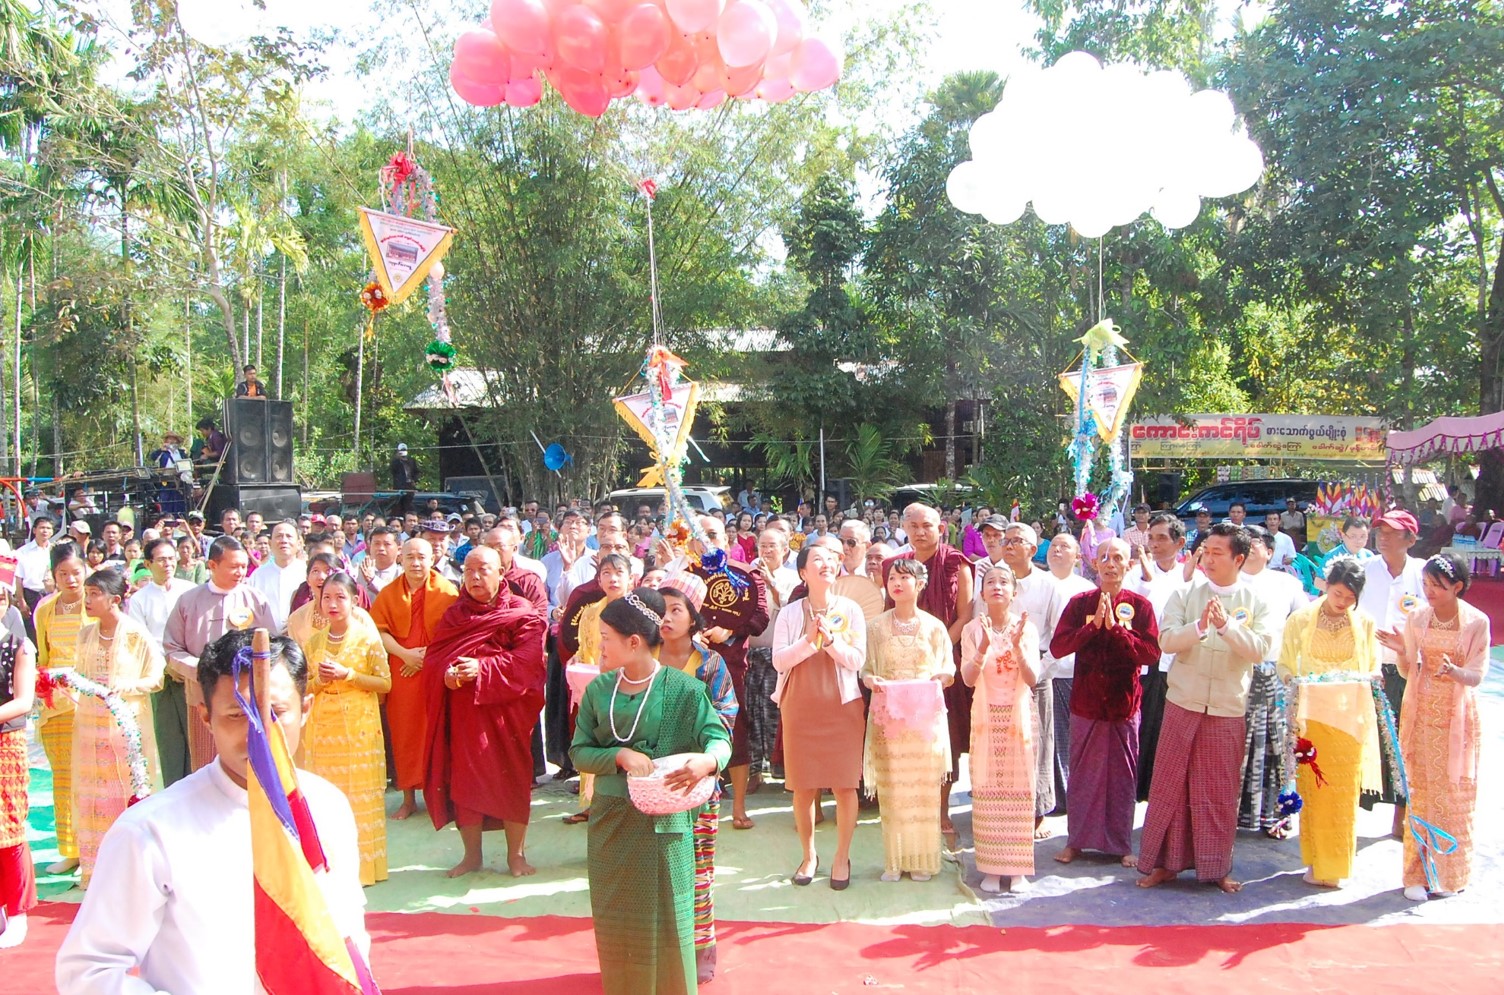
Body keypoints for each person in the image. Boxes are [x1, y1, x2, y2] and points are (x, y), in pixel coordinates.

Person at [55, 629, 368, 993]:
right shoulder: (152, 831)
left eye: (276, 713)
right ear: (206, 718)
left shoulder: (328, 806)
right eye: (238, 715)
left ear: (306, 710)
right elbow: (88, 971)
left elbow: (348, 932)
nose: (259, 734)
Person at [570, 588, 731, 995]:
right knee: (616, 916)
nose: (600, 646)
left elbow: (718, 739)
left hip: (666, 827)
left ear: (634, 642)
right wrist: (619, 756)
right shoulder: (599, 690)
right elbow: (578, 752)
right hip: (612, 821)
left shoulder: (684, 689)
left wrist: (706, 762)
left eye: (606, 638)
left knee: (669, 916)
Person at [1137, 523, 1271, 894]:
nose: (1208, 559)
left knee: (1217, 789)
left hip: (1227, 706)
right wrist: (1199, 626)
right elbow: (1165, 641)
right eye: (1205, 551)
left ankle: (1215, 867)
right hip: (1184, 700)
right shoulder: (1185, 594)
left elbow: (1260, 649)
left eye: (1217, 553)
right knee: (1170, 785)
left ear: (1239, 559)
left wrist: (1227, 626)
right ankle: (1163, 864)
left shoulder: (1256, 600)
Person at [423, 547, 547, 878]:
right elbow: (436, 660)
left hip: (508, 711)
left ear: (501, 572)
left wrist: (482, 668)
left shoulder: (522, 613)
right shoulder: (455, 615)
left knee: (512, 780)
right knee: (466, 782)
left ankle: (516, 856)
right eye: (469, 571)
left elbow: (528, 660)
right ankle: (471, 856)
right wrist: (447, 676)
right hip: (466, 713)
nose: (475, 578)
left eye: (483, 570)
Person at [1379, 553, 1488, 902]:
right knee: (1421, 793)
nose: (1429, 592)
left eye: (1437, 586)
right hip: (1421, 713)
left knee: (1452, 793)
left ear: (1457, 586)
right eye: (1425, 584)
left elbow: (1477, 674)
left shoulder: (1476, 622)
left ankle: (1448, 873)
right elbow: (1410, 670)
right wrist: (1402, 652)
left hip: (1456, 720)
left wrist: (1454, 672)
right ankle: (1416, 873)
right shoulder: (1417, 618)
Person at [1049, 539, 1160, 866]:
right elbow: (1058, 647)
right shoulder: (1081, 603)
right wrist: (1094, 626)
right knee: (1082, 775)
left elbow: (1151, 654)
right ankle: (1077, 842)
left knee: (1122, 776)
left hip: (1123, 704)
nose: (1110, 564)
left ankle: (1121, 844)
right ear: (1094, 564)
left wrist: (1116, 630)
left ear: (1129, 565)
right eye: (1104, 558)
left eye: (1118, 558)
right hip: (1086, 702)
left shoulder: (1140, 607)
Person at [1276, 558, 1380, 888]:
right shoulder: (1302, 619)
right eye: (1337, 594)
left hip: (1349, 718)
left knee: (1343, 793)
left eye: (1350, 598)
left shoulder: (1364, 623)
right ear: (1326, 586)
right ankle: (1316, 860)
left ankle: (1337, 863)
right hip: (1312, 717)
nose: (1342, 602)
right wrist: (1294, 679)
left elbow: (1373, 664)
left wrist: (1371, 676)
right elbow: (1285, 663)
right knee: (1316, 790)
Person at [657, 573, 739, 984]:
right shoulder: (642, 657)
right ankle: (656, 949)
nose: (666, 618)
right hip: (651, 783)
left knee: (697, 869)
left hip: (696, 781)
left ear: (694, 619)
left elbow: (725, 718)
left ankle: (700, 947)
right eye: (661, 608)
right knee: (653, 870)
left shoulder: (710, 664)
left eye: (676, 610)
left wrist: (699, 754)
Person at [771, 541, 867, 890]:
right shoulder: (790, 613)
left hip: (841, 706)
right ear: (803, 572)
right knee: (803, 786)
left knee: (844, 784)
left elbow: (858, 661)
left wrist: (830, 644)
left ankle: (842, 856)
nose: (826, 564)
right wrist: (808, 642)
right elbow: (778, 661)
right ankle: (809, 854)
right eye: (817, 560)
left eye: (831, 559)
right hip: (800, 705)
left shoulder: (851, 610)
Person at [882, 503, 973, 840]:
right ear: (904, 527)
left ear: (942, 527)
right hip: (902, 663)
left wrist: (935, 648)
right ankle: (907, 805)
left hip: (942, 662)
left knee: (944, 737)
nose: (921, 532)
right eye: (914, 525)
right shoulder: (894, 565)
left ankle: (942, 808)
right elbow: (887, 611)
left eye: (928, 526)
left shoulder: (955, 563)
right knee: (905, 735)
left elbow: (964, 614)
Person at [71, 569, 165, 887]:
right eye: (87, 593)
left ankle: (129, 869)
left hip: (126, 727)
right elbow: (78, 675)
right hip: (90, 728)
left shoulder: (137, 635)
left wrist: (127, 686)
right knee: (93, 796)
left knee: (125, 793)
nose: (88, 600)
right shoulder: (85, 635)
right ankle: (95, 869)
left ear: (115, 599)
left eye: (95, 593)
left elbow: (157, 677)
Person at [863, 559, 952, 883]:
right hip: (889, 718)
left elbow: (948, 668)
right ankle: (895, 860)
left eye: (905, 577)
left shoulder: (934, 627)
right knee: (893, 790)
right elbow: (867, 668)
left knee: (922, 791)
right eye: (892, 578)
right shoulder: (875, 627)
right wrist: (872, 680)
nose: (897, 583)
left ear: (920, 583)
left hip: (922, 720)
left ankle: (923, 860)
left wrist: (941, 677)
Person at [303, 572, 391, 886]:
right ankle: (333, 866)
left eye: (340, 597)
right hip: (325, 730)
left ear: (354, 601)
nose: (333, 604)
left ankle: (365, 871)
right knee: (328, 797)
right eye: (327, 597)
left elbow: (385, 683)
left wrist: (349, 674)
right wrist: (322, 681)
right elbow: (306, 688)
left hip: (359, 728)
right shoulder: (313, 642)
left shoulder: (368, 638)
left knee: (360, 797)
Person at [163, 536, 277, 774]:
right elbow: (172, 648)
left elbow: (271, 644)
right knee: (206, 762)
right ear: (212, 566)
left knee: (248, 762)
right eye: (233, 566)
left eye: (244, 566)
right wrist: (202, 669)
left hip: (247, 696)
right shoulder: (189, 601)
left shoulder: (255, 599)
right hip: (203, 694)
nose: (240, 572)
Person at [960, 562, 1039, 893]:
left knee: (1018, 790)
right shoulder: (972, 630)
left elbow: (1033, 679)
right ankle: (991, 867)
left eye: (1004, 582)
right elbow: (967, 679)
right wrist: (982, 647)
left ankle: (1017, 868)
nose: (997, 587)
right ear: (981, 593)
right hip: (985, 715)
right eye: (990, 582)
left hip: (1018, 715)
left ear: (1014, 592)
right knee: (988, 788)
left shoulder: (1027, 628)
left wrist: (1018, 646)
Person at [686, 515, 767, 832]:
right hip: (689, 661)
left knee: (737, 728)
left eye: (713, 534)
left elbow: (760, 617)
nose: (706, 540)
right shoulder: (685, 575)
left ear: (727, 538)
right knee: (690, 727)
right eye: (700, 535)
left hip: (731, 663)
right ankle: (694, 801)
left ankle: (739, 806)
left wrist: (730, 631)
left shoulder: (745, 574)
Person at [372, 538, 458, 822]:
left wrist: (424, 659)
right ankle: (408, 797)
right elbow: (379, 632)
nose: (416, 563)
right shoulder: (388, 593)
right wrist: (405, 654)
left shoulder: (447, 591)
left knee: (438, 732)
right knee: (405, 734)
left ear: (433, 558)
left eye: (421, 557)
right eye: (409, 557)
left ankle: (441, 797)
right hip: (402, 672)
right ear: (400, 558)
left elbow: (453, 633)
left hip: (435, 670)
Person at [1358, 509, 1426, 834]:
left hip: (1411, 669)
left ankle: (1402, 818)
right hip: (1368, 668)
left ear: (1410, 539)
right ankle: (1352, 812)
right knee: (1365, 739)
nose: (1383, 537)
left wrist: (1409, 649)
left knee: (1404, 742)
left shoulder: (1423, 574)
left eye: (1392, 532)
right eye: (1380, 531)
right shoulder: (1365, 570)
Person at [994, 521, 1062, 838]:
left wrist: (1039, 672)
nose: (1008, 546)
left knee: (1037, 743)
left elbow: (1059, 637)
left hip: (1037, 674)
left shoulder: (1048, 585)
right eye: (1005, 540)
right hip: (998, 677)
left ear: (1033, 550)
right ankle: (1002, 806)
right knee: (1001, 742)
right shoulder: (994, 581)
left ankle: (1037, 811)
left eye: (1016, 541)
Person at [35, 543, 92, 875]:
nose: (71, 580)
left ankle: (93, 848)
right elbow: (44, 656)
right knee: (63, 778)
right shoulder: (45, 609)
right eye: (63, 574)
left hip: (91, 700)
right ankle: (69, 849)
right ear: (53, 576)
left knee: (92, 778)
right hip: (56, 704)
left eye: (76, 572)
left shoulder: (96, 603)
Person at [126, 538, 196, 786]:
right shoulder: (139, 600)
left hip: (190, 672)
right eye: (161, 559)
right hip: (161, 677)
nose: (168, 564)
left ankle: (199, 789)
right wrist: (168, 666)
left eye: (171, 557)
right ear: (148, 563)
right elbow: (140, 641)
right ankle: (174, 790)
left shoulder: (190, 590)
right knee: (169, 738)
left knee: (195, 735)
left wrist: (183, 665)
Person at [1045, 532, 1094, 811]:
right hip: (1042, 672)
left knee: (1068, 737)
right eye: (1053, 545)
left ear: (1077, 557)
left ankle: (1068, 796)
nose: (1057, 550)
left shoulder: (1086, 589)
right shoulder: (1039, 582)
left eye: (1065, 546)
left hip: (1074, 672)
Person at [746, 528, 798, 784]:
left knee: (774, 712)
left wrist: (772, 584)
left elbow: (791, 610)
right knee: (751, 713)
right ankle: (754, 770)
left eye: (772, 546)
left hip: (777, 658)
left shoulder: (792, 577)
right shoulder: (747, 575)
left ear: (785, 550)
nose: (766, 552)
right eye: (762, 546)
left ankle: (780, 767)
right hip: (751, 656)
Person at [0, 604, 37, 948]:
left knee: (7, 827)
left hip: (5, 739)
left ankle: (17, 913)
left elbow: (24, 700)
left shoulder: (18, 644)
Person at [246, 519, 306, 633]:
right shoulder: (258, 575)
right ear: (271, 543)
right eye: (279, 536)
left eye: (289, 536)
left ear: (299, 544)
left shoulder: (307, 573)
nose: (284, 540)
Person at [15, 516, 56, 621]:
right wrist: (21, 602)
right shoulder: (22, 552)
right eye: (42, 527)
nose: (45, 531)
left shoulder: (55, 550)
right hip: (31, 596)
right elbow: (18, 579)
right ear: (34, 530)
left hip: (52, 595)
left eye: (48, 528)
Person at [390, 443, 419, 514]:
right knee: (398, 502)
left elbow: (416, 471)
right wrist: (398, 458)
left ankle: (407, 515)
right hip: (399, 486)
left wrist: (414, 480)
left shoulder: (411, 461)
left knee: (408, 502)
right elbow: (393, 471)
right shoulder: (395, 462)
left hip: (409, 485)